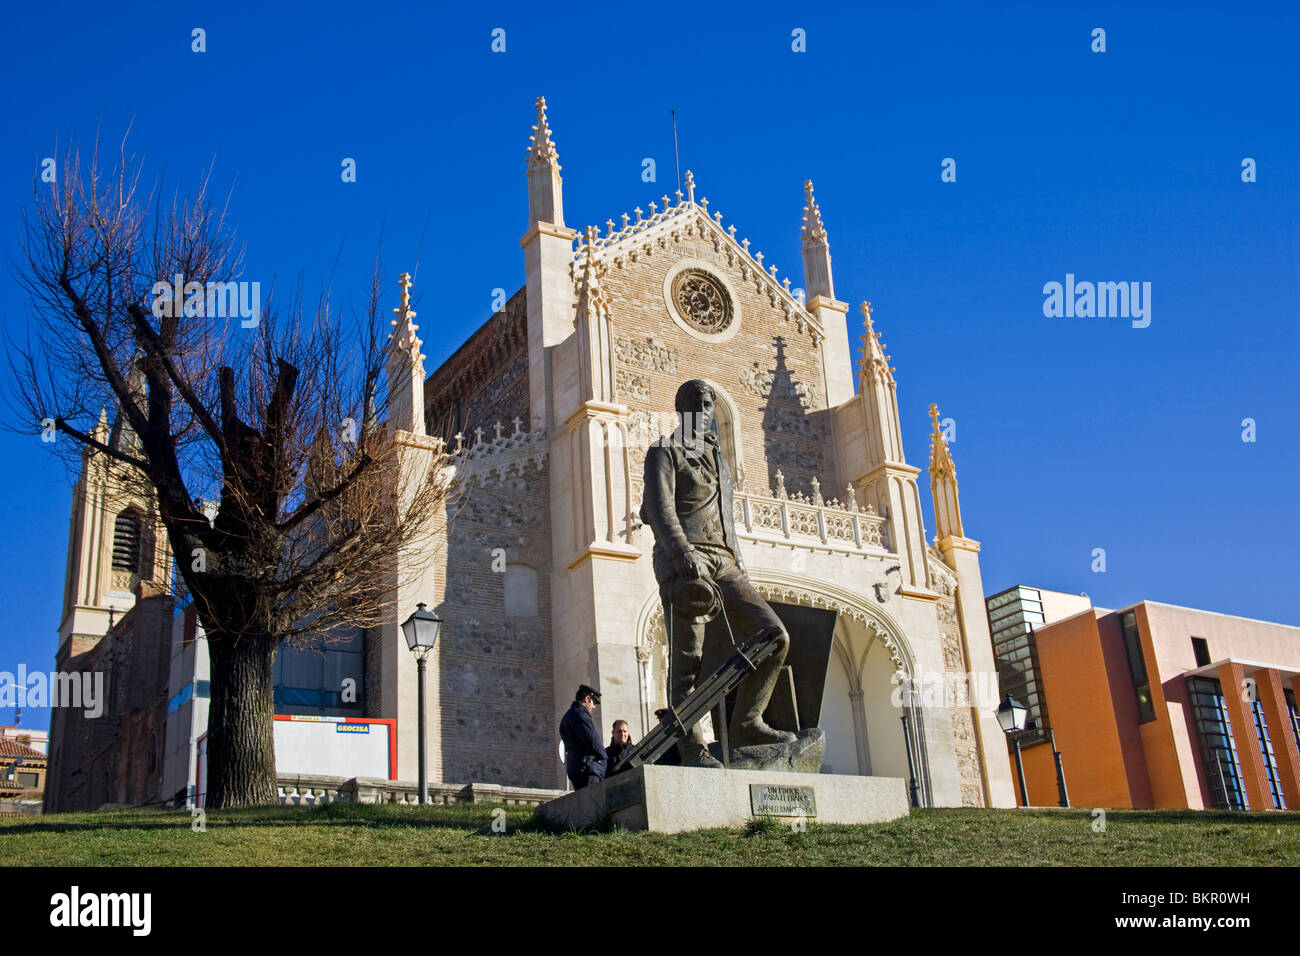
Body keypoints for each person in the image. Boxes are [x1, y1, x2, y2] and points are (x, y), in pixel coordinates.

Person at [641, 380, 796, 767]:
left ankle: (747, 722)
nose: (705, 407)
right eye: (696, 401)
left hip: (726, 563)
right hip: (687, 563)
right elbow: (659, 509)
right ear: (681, 409)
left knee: (774, 635)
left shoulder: (720, 460)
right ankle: (693, 750)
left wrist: (740, 565)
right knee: (687, 661)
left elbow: (726, 517)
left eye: (709, 401)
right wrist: (681, 554)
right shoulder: (664, 452)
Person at [558, 684, 607, 790]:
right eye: (593, 703)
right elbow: (592, 740)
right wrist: (604, 759)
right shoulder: (581, 715)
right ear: (587, 698)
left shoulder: (567, 716)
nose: (594, 707)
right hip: (587, 768)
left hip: (575, 769)